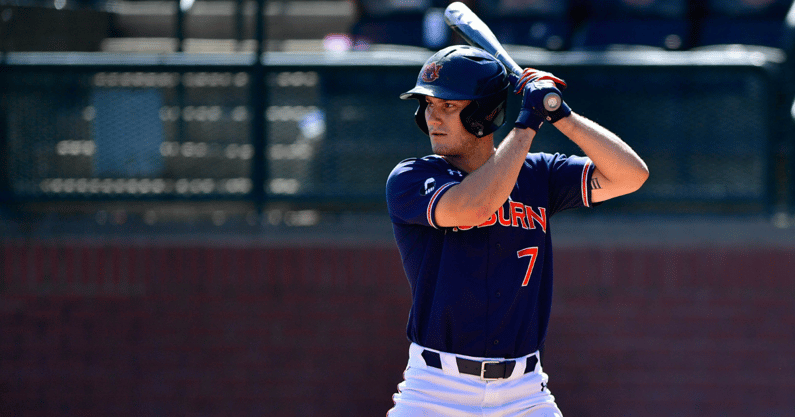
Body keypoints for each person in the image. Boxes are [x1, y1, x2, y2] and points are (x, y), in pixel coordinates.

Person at [384, 45, 649, 416]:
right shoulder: (412, 177)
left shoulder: (539, 174)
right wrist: (529, 121)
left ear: (484, 114)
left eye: (448, 106)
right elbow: (475, 205)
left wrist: (561, 115)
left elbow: (631, 175)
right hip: (436, 391)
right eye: (428, 105)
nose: (433, 117)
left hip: (525, 392)